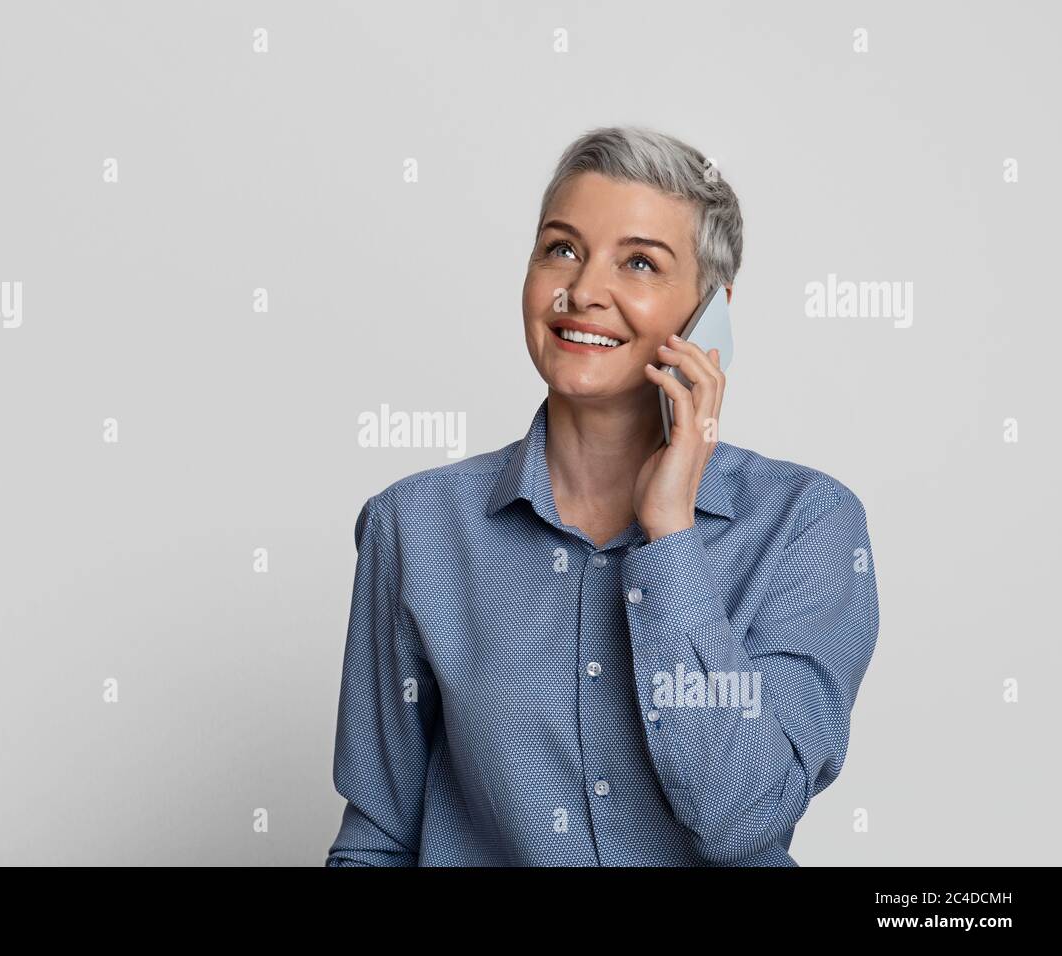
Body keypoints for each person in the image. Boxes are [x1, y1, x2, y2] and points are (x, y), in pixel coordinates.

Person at [325, 126, 880, 866]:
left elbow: (743, 817)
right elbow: (377, 840)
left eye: (640, 262)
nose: (583, 291)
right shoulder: (415, 526)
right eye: (561, 249)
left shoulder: (806, 525)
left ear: (710, 311)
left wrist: (672, 539)